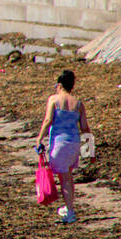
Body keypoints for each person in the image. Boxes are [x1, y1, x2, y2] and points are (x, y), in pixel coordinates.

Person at [36, 70, 92, 224]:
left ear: (59, 85)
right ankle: (69, 208)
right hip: (74, 144)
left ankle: (70, 213)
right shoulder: (79, 104)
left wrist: (39, 138)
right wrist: (90, 150)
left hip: (59, 144)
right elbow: (85, 128)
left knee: (64, 179)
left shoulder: (54, 100)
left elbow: (48, 120)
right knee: (68, 176)